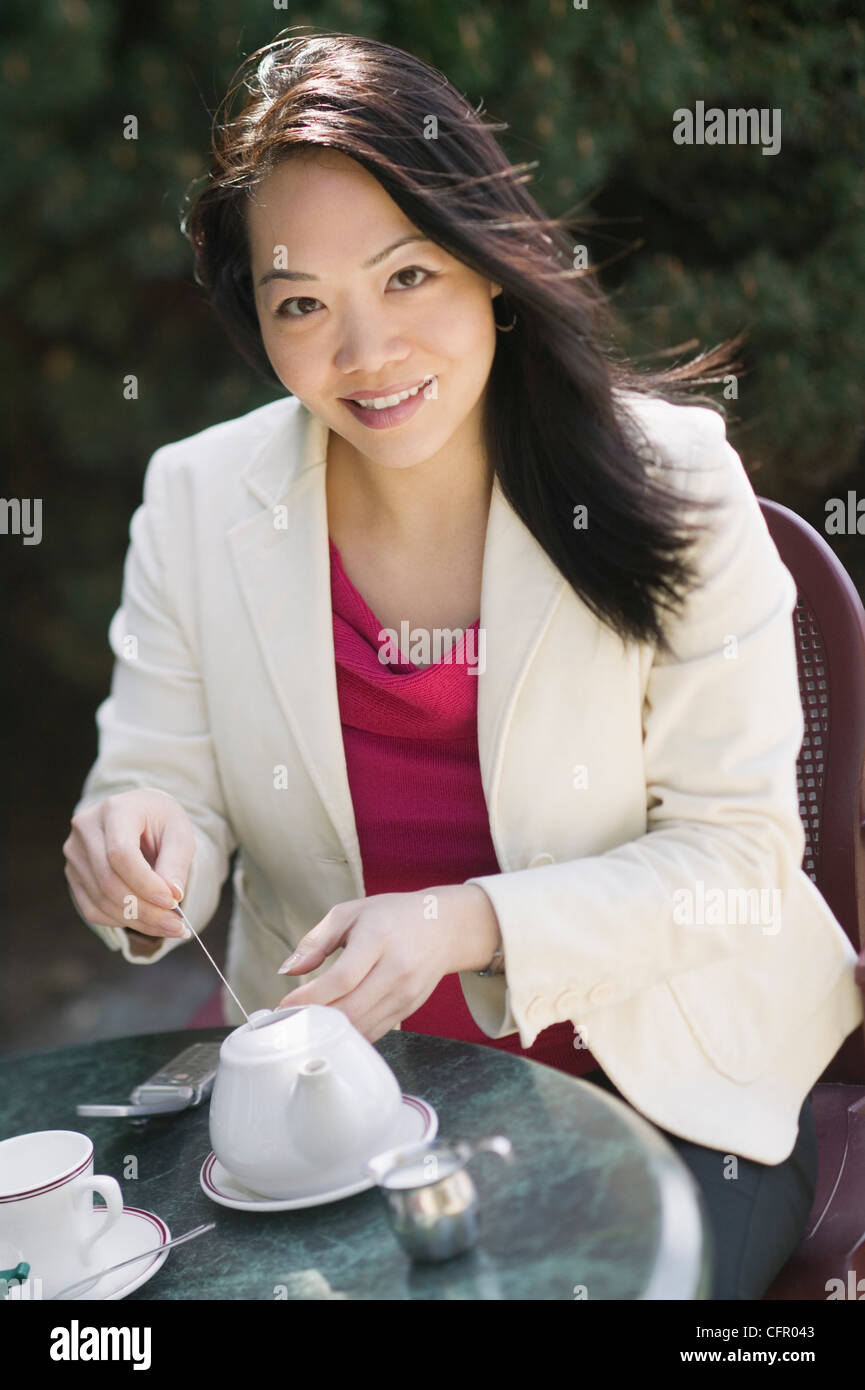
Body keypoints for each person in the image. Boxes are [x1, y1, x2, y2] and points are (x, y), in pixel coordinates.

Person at [63, 29, 862, 1298]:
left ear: (488, 259)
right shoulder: (195, 498)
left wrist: (465, 920)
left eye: (407, 274)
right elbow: (165, 780)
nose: (366, 351)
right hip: (329, 1124)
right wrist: (140, 837)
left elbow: (740, 858)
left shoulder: (675, 481)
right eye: (302, 304)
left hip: (657, 1086)